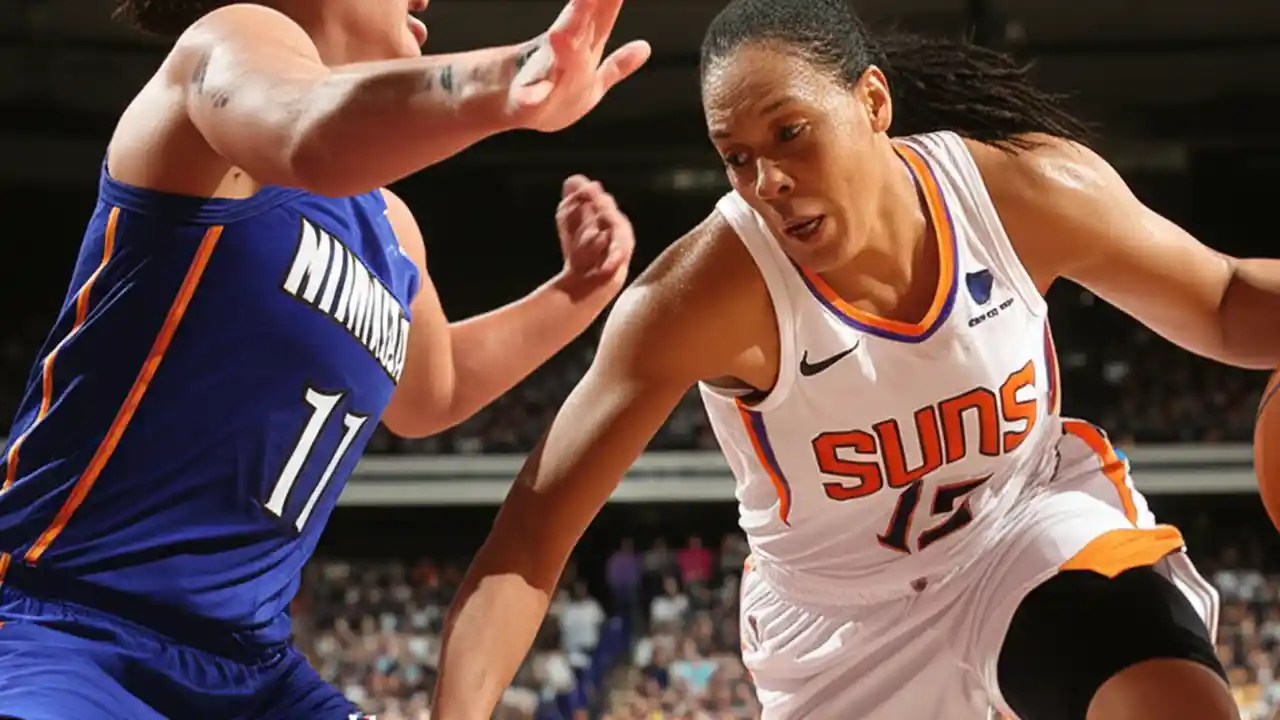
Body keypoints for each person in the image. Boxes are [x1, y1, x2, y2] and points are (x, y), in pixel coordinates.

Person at [432, 1, 1280, 718]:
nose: (768, 180)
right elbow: (531, 538)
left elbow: (1224, 300)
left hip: (1025, 531)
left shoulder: (1022, 193)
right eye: (737, 158)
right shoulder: (695, 300)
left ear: (872, 101)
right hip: (842, 626)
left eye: (791, 133)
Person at [0, 0, 647, 718]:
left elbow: (435, 391)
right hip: (70, 626)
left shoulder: (390, 228)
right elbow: (311, 131)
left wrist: (577, 292)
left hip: (252, 669)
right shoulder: (226, 43)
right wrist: (508, 78)